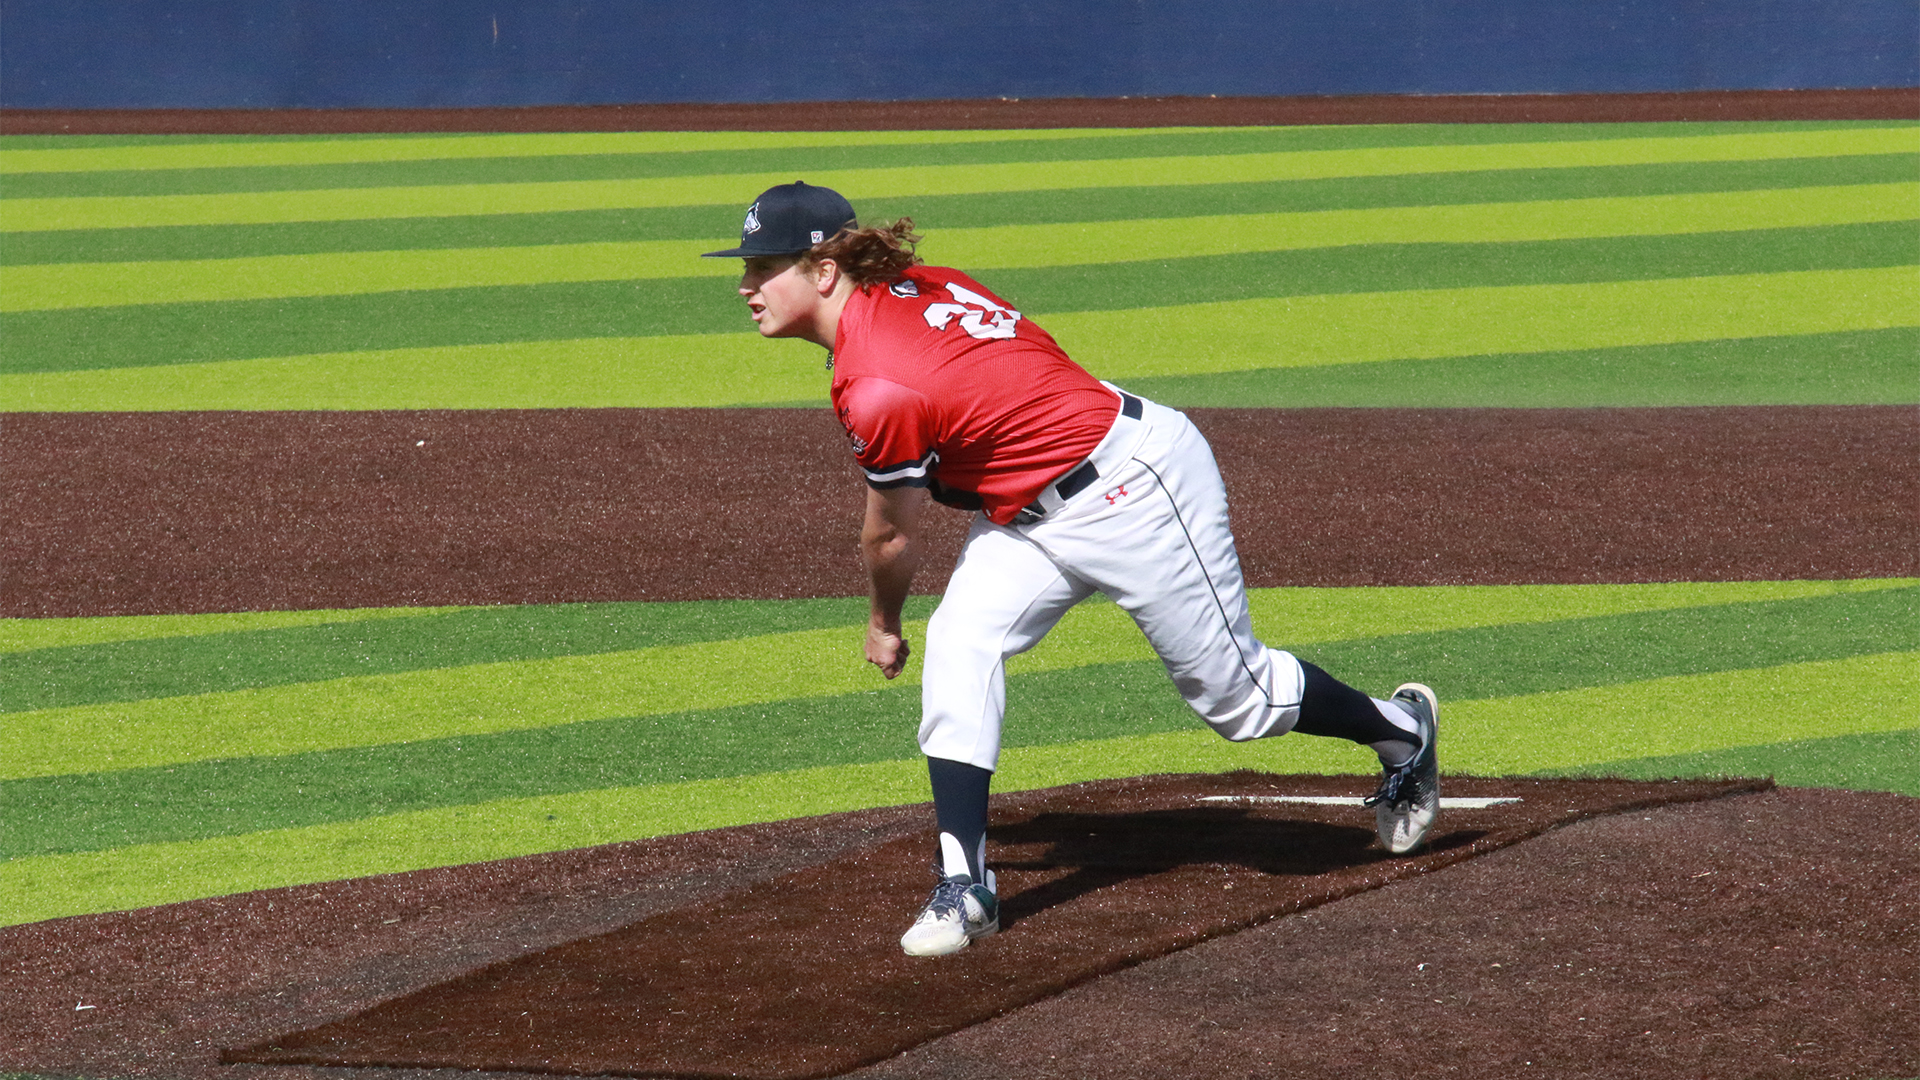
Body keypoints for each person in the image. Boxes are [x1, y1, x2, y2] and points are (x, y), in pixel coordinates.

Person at [704, 181, 1440, 958]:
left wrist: (883, 622)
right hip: (1030, 510)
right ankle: (964, 885)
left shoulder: (876, 384)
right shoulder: (918, 287)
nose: (746, 284)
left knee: (1240, 703)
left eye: (764, 266)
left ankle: (1402, 730)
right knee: (961, 642)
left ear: (825, 271)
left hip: (1134, 488)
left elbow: (888, 538)